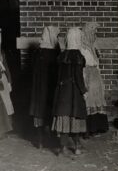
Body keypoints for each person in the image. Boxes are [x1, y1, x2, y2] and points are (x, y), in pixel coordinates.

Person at [51, 27, 87, 155]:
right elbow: (78, 77)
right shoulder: (78, 56)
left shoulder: (61, 56)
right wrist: (83, 91)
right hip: (74, 92)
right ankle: (77, 147)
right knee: (74, 118)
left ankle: (62, 148)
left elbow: (57, 76)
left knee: (64, 119)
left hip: (62, 92)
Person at [29, 26, 60, 148]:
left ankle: (40, 141)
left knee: (39, 113)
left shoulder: (38, 52)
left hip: (38, 88)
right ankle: (52, 140)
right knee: (50, 112)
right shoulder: (56, 53)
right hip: (51, 87)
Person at [80, 22, 108, 137]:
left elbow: (96, 63)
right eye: (93, 32)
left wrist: (98, 56)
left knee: (98, 100)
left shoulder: (92, 47)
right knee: (89, 101)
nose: (94, 34)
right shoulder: (82, 48)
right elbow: (84, 64)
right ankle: (89, 129)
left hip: (95, 76)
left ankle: (98, 127)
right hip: (88, 76)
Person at [0, 34, 13, 138]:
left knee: (5, 103)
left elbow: (6, 67)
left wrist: (9, 82)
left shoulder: (2, 52)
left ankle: (4, 129)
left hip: (2, 79)